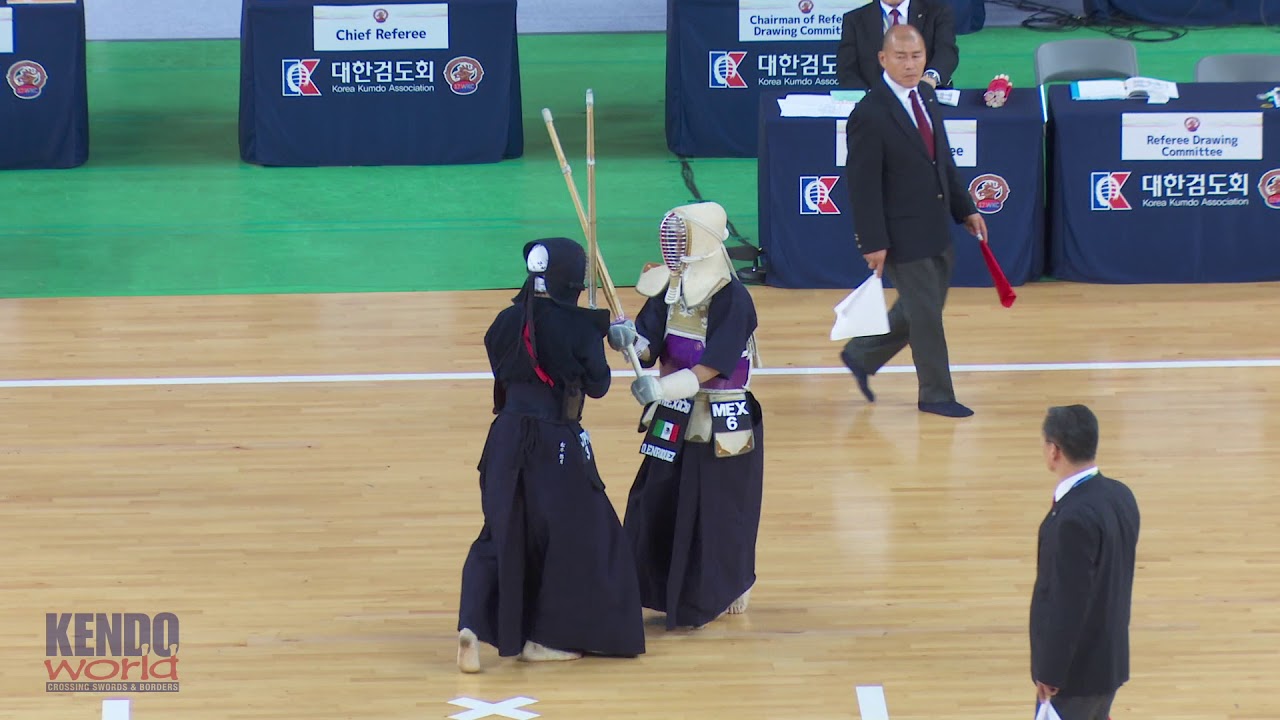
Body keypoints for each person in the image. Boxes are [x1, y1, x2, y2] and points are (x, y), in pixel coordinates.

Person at [455, 237, 645, 673]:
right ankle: (544, 639)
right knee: (577, 534)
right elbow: (596, 386)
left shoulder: (503, 321)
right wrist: (609, 339)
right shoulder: (577, 328)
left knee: (499, 530)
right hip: (553, 441)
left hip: (503, 437)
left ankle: (472, 624)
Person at [606, 201, 764, 630]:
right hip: (674, 412)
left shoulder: (732, 297)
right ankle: (653, 585)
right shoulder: (668, 289)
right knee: (656, 497)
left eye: (683, 236)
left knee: (719, 506)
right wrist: (628, 341)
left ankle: (730, 583)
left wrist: (663, 386)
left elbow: (716, 363)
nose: (674, 245)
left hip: (721, 413)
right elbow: (649, 345)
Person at [838, 23, 987, 418]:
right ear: (882, 59)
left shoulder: (926, 96)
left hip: (936, 225)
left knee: (924, 306)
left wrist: (965, 208)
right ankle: (936, 395)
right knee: (926, 318)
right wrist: (872, 241)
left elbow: (944, 161)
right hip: (900, 233)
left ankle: (862, 354)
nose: (910, 64)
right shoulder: (869, 114)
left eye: (917, 56)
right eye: (901, 57)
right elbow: (862, 185)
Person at [1031, 405, 1140, 720]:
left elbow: (1069, 601)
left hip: (1075, 675)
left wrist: (1051, 671)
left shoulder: (1071, 519)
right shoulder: (1121, 495)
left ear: (1055, 451)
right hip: (1109, 660)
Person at [835, 0, 959, 90]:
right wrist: (870, 98)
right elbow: (847, 69)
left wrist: (929, 79)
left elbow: (947, 51)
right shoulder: (854, 20)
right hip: (874, 104)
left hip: (926, 97)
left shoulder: (937, 12)